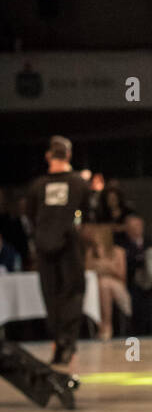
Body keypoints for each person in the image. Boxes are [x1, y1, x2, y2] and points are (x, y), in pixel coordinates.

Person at [28, 136, 89, 366]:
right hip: (69, 246)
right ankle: (66, 343)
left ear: (48, 156)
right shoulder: (79, 183)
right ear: (69, 155)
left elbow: (31, 216)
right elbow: (86, 214)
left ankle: (59, 342)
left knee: (51, 295)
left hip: (44, 246)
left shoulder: (37, 186)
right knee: (72, 293)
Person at [83, 226, 131, 342]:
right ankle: (102, 325)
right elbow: (86, 272)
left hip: (118, 288)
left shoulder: (118, 252)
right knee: (102, 284)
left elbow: (122, 276)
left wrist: (107, 267)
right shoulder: (91, 252)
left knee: (104, 284)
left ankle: (106, 325)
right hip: (95, 289)